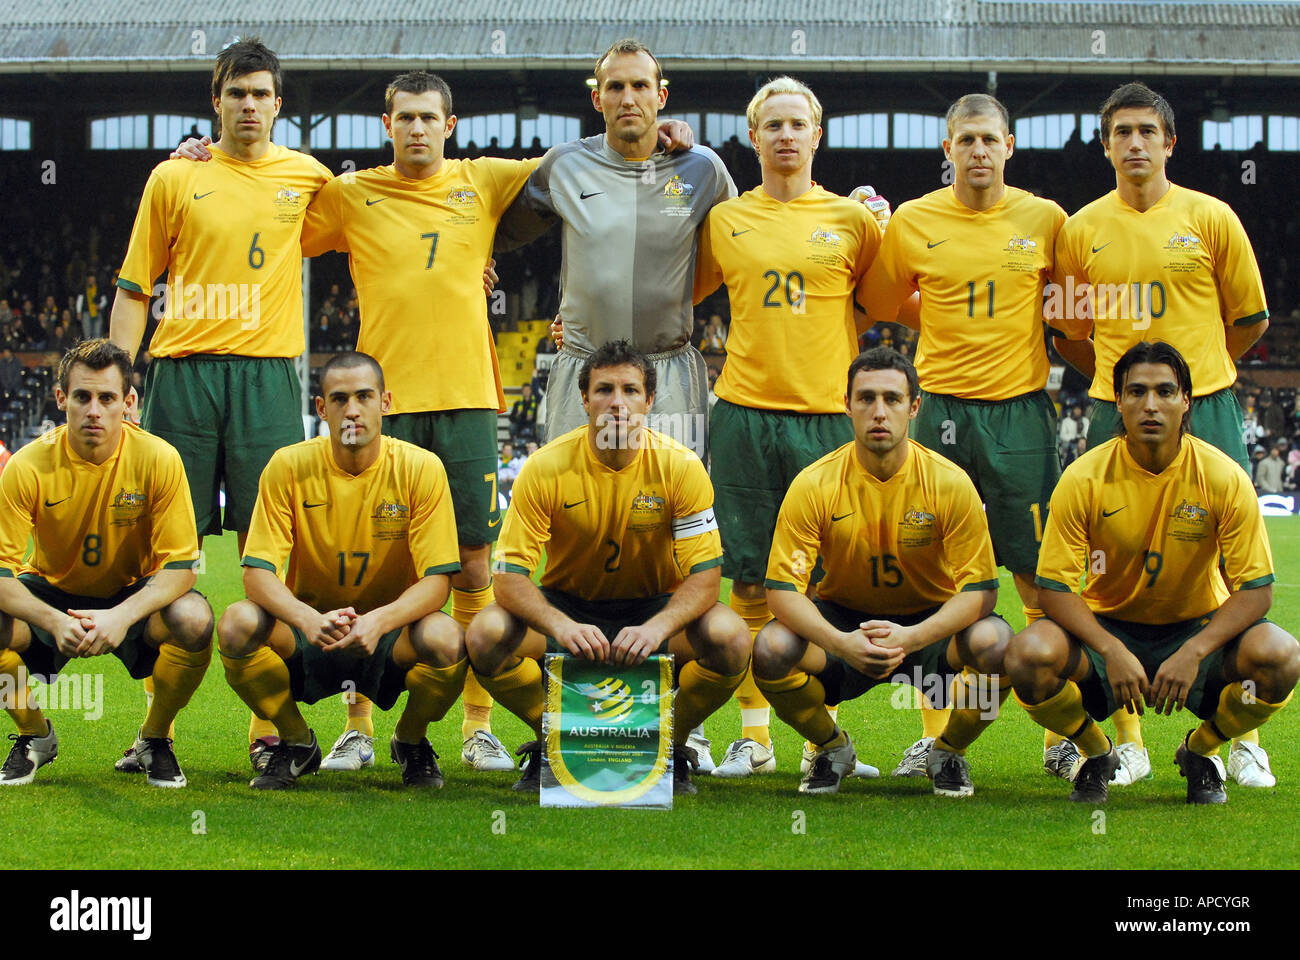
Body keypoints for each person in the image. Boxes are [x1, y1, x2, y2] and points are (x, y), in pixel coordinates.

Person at [108, 38, 331, 772]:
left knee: (269, 554)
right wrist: (118, 378)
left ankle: (268, 728)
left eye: (262, 93)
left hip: (268, 379)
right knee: (170, 555)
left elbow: (390, 219)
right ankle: (155, 733)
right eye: (236, 93)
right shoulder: (174, 176)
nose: (249, 105)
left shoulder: (308, 177)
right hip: (182, 376)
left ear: (278, 103)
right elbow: (136, 287)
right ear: (216, 101)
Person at [1051, 82, 1275, 786]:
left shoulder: (1213, 217)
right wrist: (1127, 393)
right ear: (1106, 142)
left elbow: (1251, 322)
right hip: (1113, 410)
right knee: (1100, 567)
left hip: (1203, 402)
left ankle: (1240, 737)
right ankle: (1128, 738)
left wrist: (1195, 379)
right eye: (1122, 131)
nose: (1136, 143)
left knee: (1225, 564)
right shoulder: (1079, 229)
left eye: (1149, 130)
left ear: (1170, 141)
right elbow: (1069, 334)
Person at [857, 93, 1067, 777]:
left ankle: (1060, 734)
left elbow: (1072, 308)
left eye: (989, 139)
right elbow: (884, 304)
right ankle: (938, 739)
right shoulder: (916, 221)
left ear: (1010, 146)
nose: (978, 151)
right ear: (947, 150)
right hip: (940, 407)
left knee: (1040, 576)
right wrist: (945, 309)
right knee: (933, 573)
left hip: (1022, 412)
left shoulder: (1047, 220)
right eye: (965, 140)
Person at [690, 76, 886, 779]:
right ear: (753, 137)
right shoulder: (725, 221)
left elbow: (881, 297)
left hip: (829, 420)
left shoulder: (856, 221)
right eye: (772, 125)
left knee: (826, 585)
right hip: (744, 414)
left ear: (817, 134)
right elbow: (680, 295)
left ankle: (819, 737)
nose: (785, 135)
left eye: (797, 124)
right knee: (746, 579)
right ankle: (752, 736)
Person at [1006, 340, 1298, 804]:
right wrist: (1110, 647)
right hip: (1108, 632)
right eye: (1136, 392)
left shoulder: (1223, 476)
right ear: (1117, 401)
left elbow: (1257, 591)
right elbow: (1054, 588)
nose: (1150, 405)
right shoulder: (1084, 477)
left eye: (1165, 391)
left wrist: (1196, 650)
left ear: (1187, 401)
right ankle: (1097, 751)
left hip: (1198, 631)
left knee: (1281, 655)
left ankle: (1200, 751)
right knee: (1026, 655)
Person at [465, 340, 750, 796]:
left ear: (649, 400)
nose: (617, 402)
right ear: (584, 399)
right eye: (604, 390)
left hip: (655, 610)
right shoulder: (544, 467)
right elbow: (509, 578)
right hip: (567, 607)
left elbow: (705, 577)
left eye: (630, 390)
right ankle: (555, 737)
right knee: (485, 635)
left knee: (731, 637)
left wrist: (657, 628)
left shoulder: (681, 467)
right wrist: (563, 625)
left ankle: (669, 744)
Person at [753, 347, 1011, 795]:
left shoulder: (949, 482)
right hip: (845, 623)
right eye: (866, 398)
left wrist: (913, 638)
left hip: (930, 628)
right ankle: (831, 748)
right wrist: (839, 642)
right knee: (772, 648)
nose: (878, 412)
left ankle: (948, 752)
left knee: (997, 643)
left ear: (914, 407)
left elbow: (981, 591)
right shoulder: (814, 483)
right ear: (846, 404)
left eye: (892, 399)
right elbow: (781, 592)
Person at [216, 352, 466, 789]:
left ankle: (409, 740)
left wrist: (377, 621)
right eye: (340, 398)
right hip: (309, 630)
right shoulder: (287, 466)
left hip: (388, 634)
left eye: (364, 396)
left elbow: (437, 583)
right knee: (236, 623)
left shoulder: (421, 468)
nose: (352, 410)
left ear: (385, 402)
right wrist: (308, 620)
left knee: (447, 639)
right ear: (321, 408)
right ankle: (297, 742)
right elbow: (257, 574)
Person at [494, 39, 737, 460]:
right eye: (616, 87)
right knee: (574, 506)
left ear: (660, 96)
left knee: (673, 506)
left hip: (669, 371)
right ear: (597, 98)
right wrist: (471, 262)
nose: (628, 98)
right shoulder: (564, 165)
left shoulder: (702, 168)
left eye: (641, 86)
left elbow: (745, 247)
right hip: (584, 369)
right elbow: (499, 229)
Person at [0, 340, 212, 787]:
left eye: (107, 398)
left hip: (132, 592)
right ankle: (34, 735)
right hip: (51, 590)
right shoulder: (27, 466)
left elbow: (181, 567)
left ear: (128, 402)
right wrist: (54, 621)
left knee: (194, 618)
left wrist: (121, 616)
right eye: (82, 397)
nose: (94, 410)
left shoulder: (158, 458)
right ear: (62, 400)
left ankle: (153, 739)